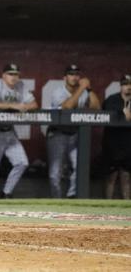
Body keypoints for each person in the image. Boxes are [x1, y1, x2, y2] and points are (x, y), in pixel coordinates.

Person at [0, 63, 38, 199]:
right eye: (10, 74)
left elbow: (34, 104)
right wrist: (13, 106)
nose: (13, 77)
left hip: (9, 132)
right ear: (3, 75)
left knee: (22, 162)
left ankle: (6, 192)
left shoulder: (20, 86)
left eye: (16, 74)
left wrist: (24, 106)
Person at [46, 64, 101, 198]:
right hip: (58, 134)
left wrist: (89, 89)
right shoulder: (58, 91)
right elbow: (67, 107)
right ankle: (56, 200)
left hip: (75, 135)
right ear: (65, 77)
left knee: (80, 167)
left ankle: (71, 195)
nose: (74, 77)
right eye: (71, 74)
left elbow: (97, 108)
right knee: (55, 173)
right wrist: (82, 87)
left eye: (77, 74)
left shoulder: (84, 91)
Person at [102, 74, 131, 199]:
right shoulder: (112, 99)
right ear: (121, 86)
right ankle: (107, 205)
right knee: (111, 176)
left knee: (126, 177)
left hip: (128, 144)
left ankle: (127, 206)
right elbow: (106, 109)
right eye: (125, 84)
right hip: (112, 144)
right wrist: (123, 110)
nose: (128, 87)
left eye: (130, 84)